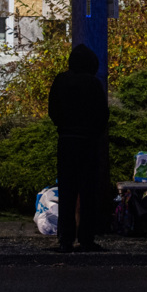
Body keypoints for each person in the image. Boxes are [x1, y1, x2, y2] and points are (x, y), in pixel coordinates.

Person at [48, 44, 109, 253]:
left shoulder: (61, 80)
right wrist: (94, 132)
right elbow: (102, 114)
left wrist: (63, 126)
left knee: (67, 191)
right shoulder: (93, 83)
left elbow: (53, 109)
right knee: (88, 191)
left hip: (66, 139)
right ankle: (86, 237)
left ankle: (65, 238)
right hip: (87, 141)